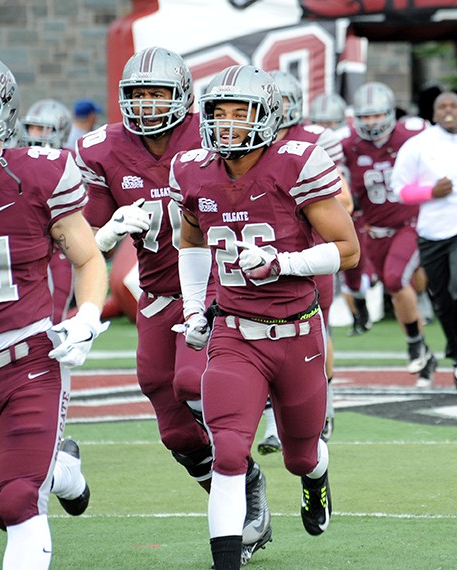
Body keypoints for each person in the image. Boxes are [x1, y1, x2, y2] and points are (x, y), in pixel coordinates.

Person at [75, 47, 271, 563]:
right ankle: (246, 486)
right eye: (137, 94)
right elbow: (81, 237)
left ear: (182, 96)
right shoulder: (102, 149)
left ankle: (241, 485)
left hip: (215, 285)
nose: (147, 104)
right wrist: (110, 231)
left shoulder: (211, 132)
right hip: (156, 292)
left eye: (158, 93)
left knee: (190, 380)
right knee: (174, 429)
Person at [170, 64, 359, 570]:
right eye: (219, 113)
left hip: (298, 333)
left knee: (301, 455)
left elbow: (348, 249)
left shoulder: (297, 163)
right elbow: (191, 242)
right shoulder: (192, 169)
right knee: (229, 453)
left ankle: (316, 479)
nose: (228, 123)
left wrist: (282, 264)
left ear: (268, 115)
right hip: (234, 332)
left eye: (242, 112)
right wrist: (194, 308)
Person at [0, 51, 107, 569]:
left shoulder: (40, 172)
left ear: (0, 107)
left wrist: (86, 317)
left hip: (27, 361)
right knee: (0, 510)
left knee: (21, 499)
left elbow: (88, 258)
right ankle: (64, 471)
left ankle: (49, 474)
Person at [256, 70, 352, 453]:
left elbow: (342, 200)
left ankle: (323, 406)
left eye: (281, 101)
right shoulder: (240, 142)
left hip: (306, 255)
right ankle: (271, 423)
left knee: (315, 332)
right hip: (253, 258)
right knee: (254, 339)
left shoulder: (315, 140)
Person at [340, 81, 438, 384]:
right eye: (365, 116)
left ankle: (414, 345)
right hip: (374, 230)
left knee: (396, 279)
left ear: (390, 113)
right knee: (395, 290)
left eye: (377, 115)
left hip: (410, 224)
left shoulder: (412, 135)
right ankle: (425, 352)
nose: (371, 122)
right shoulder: (348, 145)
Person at [390, 91, 457, 392]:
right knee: (442, 300)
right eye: (442, 106)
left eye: (453, 105)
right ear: (433, 113)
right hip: (431, 232)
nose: (448, 110)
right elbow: (399, 189)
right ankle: (456, 350)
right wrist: (430, 191)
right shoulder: (418, 145)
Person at [19, 98, 76, 324]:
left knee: (56, 311)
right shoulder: (16, 158)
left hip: (60, 244)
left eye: (44, 129)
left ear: (60, 131)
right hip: (27, 242)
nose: (36, 134)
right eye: (33, 127)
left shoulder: (69, 160)